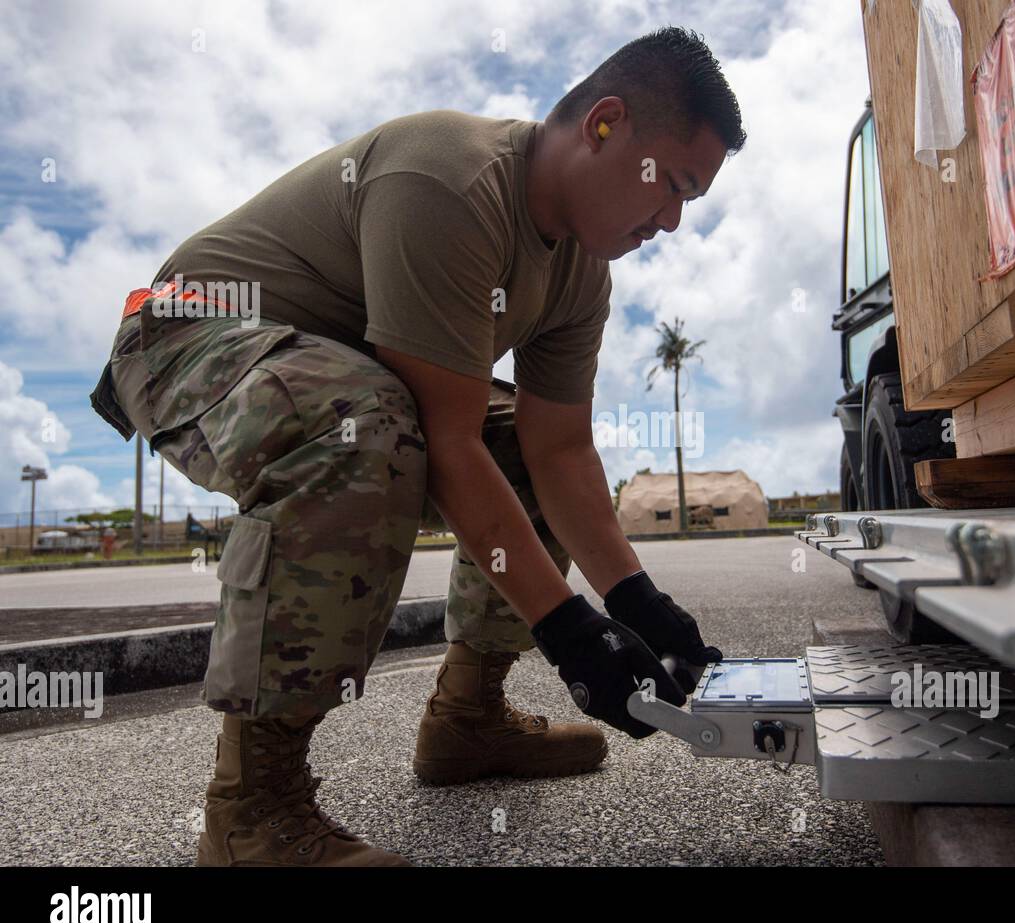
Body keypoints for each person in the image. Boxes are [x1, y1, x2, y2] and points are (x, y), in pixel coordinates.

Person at [88, 26, 745, 866]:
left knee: (487, 439)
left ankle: (468, 719)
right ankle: (252, 811)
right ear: (605, 123)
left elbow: (560, 451)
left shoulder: (582, 269)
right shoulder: (451, 177)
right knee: (366, 427)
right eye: (673, 185)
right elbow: (444, 443)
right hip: (184, 336)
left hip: (336, 368)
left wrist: (640, 606)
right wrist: (572, 633)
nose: (674, 220)